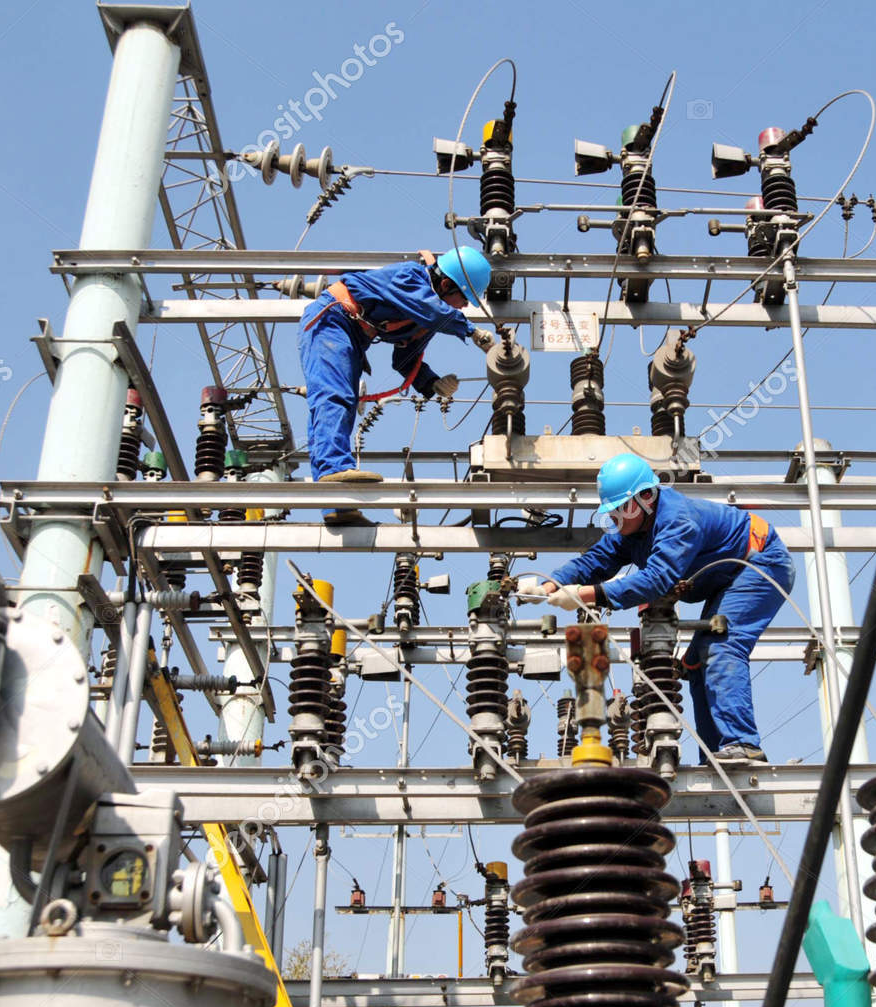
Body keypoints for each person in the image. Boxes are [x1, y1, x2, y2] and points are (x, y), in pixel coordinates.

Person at [517, 453, 793, 763]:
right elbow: (595, 560)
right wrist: (549, 584)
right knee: (697, 663)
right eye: (613, 511)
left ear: (647, 497)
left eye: (623, 508)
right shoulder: (631, 526)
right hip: (727, 577)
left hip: (760, 564)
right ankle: (716, 755)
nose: (616, 517)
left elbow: (656, 579)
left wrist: (585, 594)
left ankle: (743, 744)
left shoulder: (677, 520)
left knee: (721, 648)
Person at [298, 246, 496, 524]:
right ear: (446, 284)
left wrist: (433, 382)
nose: (463, 307)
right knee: (335, 396)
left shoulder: (425, 318)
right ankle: (333, 471)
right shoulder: (411, 278)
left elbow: (405, 360)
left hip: (352, 335)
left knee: (341, 400)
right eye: (463, 300)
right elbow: (435, 310)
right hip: (332, 320)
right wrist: (471, 330)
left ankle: (337, 507)